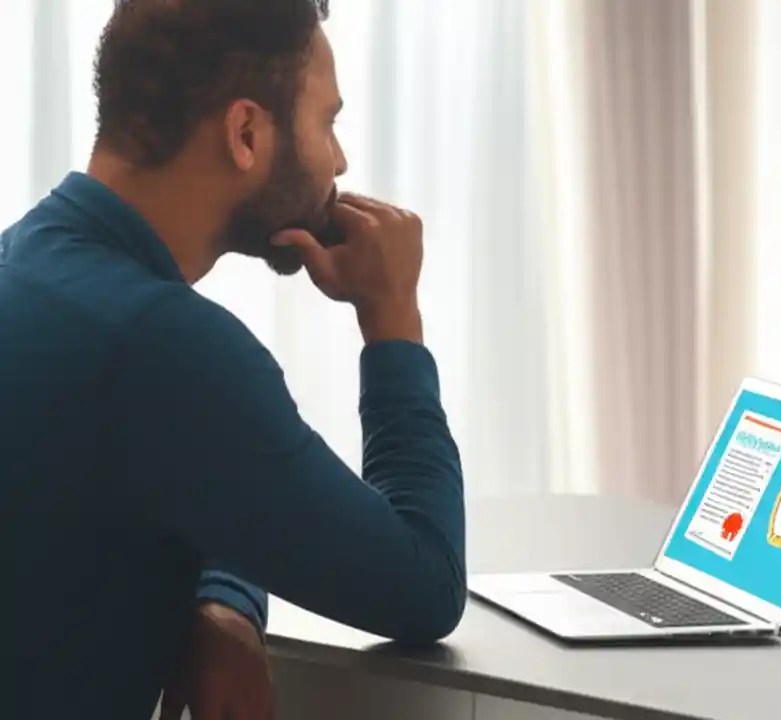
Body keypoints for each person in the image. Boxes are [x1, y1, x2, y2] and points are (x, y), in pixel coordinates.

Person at [0, 1, 466, 718]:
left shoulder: (26, 264)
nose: (340, 163)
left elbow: (203, 487)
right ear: (245, 133)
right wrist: (393, 317)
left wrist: (225, 603)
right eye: (327, 123)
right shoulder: (161, 346)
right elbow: (425, 586)